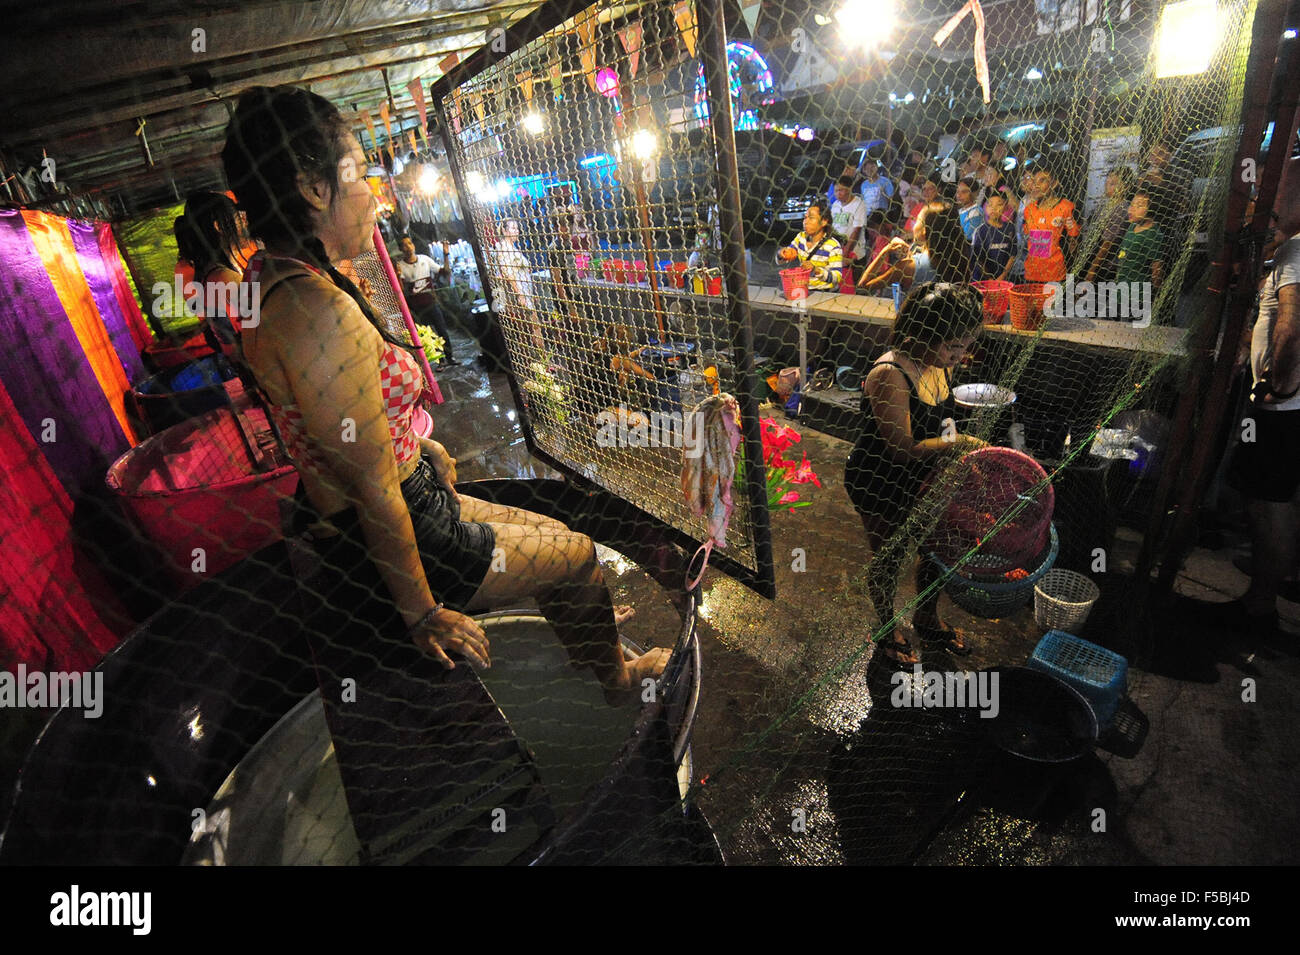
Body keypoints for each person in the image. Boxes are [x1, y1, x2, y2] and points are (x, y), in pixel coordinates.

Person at [221, 85, 667, 697]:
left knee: (551, 541)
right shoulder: (316, 311)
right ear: (313, 188)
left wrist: (416, 446)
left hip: (408, 498)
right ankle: (617, 678)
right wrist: (423, 613)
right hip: (405, 531)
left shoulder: (271, 280)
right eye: (358, 174)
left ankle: (581, 611)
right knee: (580, 551)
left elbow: (335, 431)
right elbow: (373, 490)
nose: (377, 198)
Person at [844, 283, 987, 663]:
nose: (959, 355)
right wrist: (958, 444)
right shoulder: (890, 374)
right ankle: (886, 625)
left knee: (933, 551)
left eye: (965, 345)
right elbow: (902, 447)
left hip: (923, 477)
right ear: (921, 333)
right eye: (952, 346)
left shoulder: (936, 365)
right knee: (889, 556)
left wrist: (954, 443)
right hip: (879, 480)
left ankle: (926, 617)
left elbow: (941, 422)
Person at [1214, 181, 1300, 636]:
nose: (1272, 201)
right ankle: (1270, 580)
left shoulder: (1296, 253)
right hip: (1288, 406)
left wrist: (1278, 386)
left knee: (1269, 504)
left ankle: (1260, 608)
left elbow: (1292, 323)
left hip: (1283, 409)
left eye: (1282, 192)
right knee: (1278, 498)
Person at [173, 190, 254, 356]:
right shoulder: (224, 278)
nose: (244, 224)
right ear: (219, 226)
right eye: (239, 219)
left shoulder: (210, 274)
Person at [860, 199, 971, 292]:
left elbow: (864, 286)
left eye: (916, 220)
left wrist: (885, 251)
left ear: (924, 231)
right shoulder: (959, 259)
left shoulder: (908, 267)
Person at [396, 235, 456, 365]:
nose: (408, 247)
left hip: (432, 303)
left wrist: (446, 254)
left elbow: (445, 272)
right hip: (416, 307)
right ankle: (440, 361)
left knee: (442, 331)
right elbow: (400, 290)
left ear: (414, 245)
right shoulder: (400, 266)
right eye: (404, 245)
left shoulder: (425, 259)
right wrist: (397, 276)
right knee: (428, 336)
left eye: (410, 243)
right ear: (401, 249)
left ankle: (450, 357)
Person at [489, 218, 544, 350]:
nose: (517, 231)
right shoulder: (503, 248)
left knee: (527, 330)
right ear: (504, 230)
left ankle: (535, 361)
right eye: (513, 228)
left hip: (525, 292)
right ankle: (543, 361)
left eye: (517, 228)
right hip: (519, 294)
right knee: (533, 327)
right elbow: (508, 273)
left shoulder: (511, 247)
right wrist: (520, 295)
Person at [1022, 166, 1080, 284]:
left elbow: (1074, 243)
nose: (1036, 186)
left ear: (1054, 183)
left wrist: (1074, 278)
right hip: (1032, 274)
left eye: (1042, 180)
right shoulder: (1029, 210)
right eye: (1034, 181)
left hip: (1057, 275)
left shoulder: (1066, 207)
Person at [1084, 166, 1137, 282]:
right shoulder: (1104, 206)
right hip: (1093, 259)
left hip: (1105, 266)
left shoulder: (1122, 208)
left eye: (1113, 184)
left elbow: (1107, 244)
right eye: (1106, 182)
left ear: (1126, 186)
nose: (1107, 187)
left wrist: (1092, 271)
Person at [776, 200, 844, 291]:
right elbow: (779, 261)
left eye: (811, 218)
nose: (805, 222)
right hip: (804, 290)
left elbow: (837, 277)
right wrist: (782, 254)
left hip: (825, 293)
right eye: (805, 217)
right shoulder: (801, 237)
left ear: (824, 221)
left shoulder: (833, 246)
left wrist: (816, 270)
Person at [1112, 187, 1165, 294]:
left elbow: (1156, 270)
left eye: (1139, 206)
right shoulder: (1132, 226)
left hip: (1137, 296)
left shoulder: (1153, 234)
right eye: (1132, 204)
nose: (1131, 209)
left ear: (1152, 208)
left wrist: (1156, 296)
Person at [970, 192, 1017, 282]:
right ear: (985, 207)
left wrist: (1003, 275)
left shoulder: (1010, 228)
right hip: (983, 280)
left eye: (999, 204)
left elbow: (1013, 254)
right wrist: (989, 278)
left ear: (1006, 207)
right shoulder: (981, 231)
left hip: (1003, 278)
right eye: (990, 204)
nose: (994, 208)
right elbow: (977, 259)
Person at [831, 175, 869, 281]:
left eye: (842, 190)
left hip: (855, 255)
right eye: (836, 190)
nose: (838, 193)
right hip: (838, 254)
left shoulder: (858, 204)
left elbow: (856, 231)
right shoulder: (835, 205)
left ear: (850, 189)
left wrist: (845, 253)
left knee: (856, 288)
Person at [955, 176, 985, 241]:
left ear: (974, 193)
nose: (958, 195)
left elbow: (966, 237)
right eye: (957, 192)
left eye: (964, 192)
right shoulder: (959, 211)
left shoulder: (976, 212)